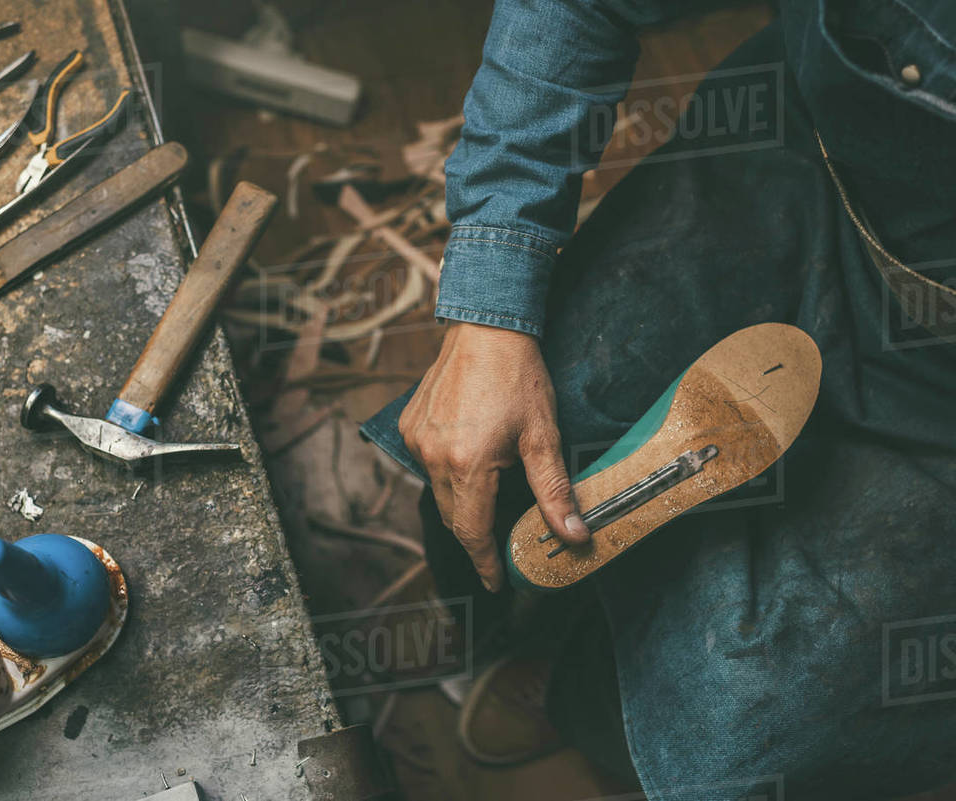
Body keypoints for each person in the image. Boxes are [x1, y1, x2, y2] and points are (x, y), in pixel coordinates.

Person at [359, 1, 956, 798]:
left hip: (941, 393)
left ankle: (598, 707)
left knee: (744, 723)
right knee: (498, 449)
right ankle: (508, 635)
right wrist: (489, 305)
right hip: (805, 163)